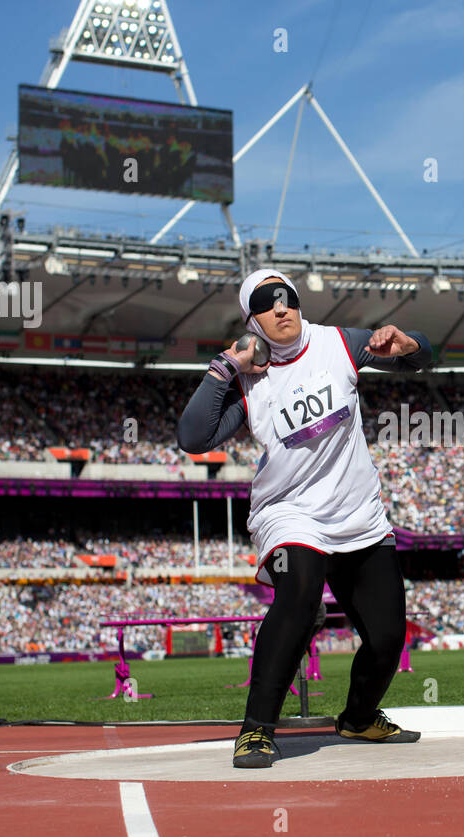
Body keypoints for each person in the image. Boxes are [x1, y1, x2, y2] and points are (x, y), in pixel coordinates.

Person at [177, 269, 432, 768]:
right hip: (289, 513)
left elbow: (422, 358)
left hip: (358, 515)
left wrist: (407, 343)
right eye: (268, 305)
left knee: (387, 637)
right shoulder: (250, 379)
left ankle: (358, 717)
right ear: (253, 320)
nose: (281, 309)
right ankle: (255, 731)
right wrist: (227, 365)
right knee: (299, 597)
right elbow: (192, 437)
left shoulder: (338, 343)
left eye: (287, 299)